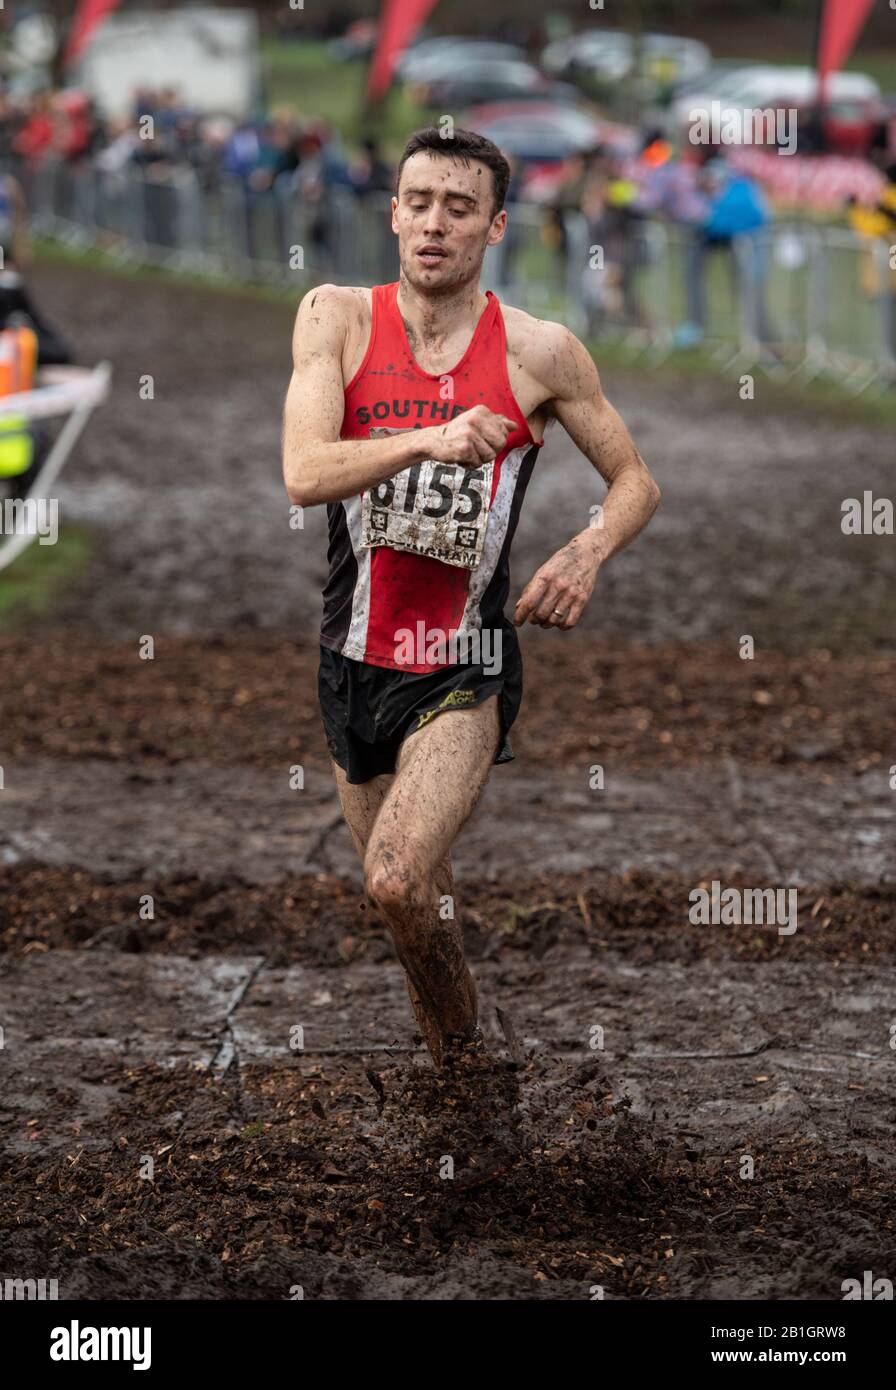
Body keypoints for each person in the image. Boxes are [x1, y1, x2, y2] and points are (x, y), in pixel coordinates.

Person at [281, 126, 660, 1075]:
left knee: (398, 876)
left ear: (495, 226)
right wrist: (427, 441)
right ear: (393, 212)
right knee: (415, 899)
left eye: (459, 207)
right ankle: (458, 1053)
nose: (433, 224)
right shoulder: (335, 317)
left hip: (464, 664)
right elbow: (302, 473)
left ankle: (468, 1069)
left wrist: (587, 548)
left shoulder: (539, 352)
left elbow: (636, 482)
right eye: (418, 202)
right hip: (352, 653)